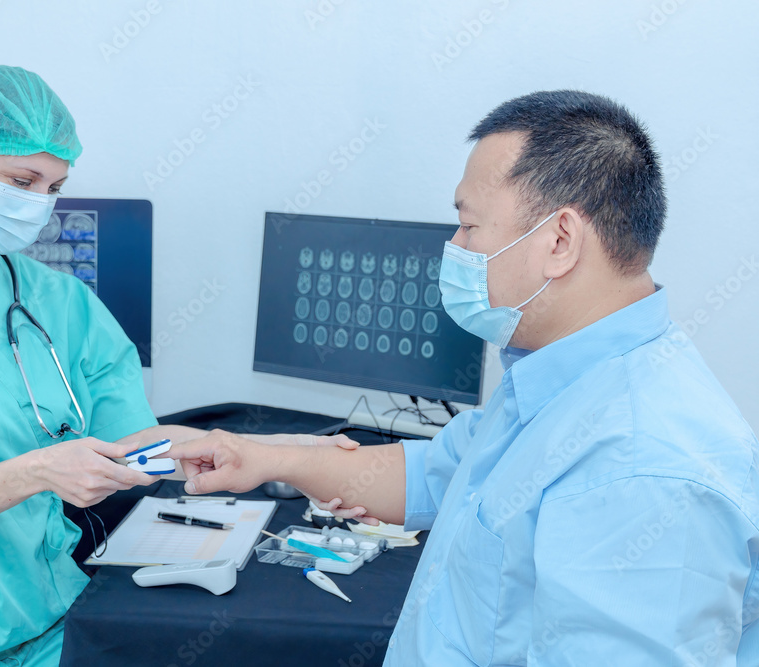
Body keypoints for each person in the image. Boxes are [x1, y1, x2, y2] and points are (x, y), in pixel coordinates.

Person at [0, 65, 351, 666]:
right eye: (21, 179)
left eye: (53, 188)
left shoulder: (61, 303)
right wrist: (37, 472)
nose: (37, 204)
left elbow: (133, 444)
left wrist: (284, 453)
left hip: (51, 628)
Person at [171, 90, 759, 665]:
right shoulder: (558, 380)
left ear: (559, 241)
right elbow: (434, 476)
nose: (453, 248)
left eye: (470, 228)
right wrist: (270, 458)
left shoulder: (640, 469)